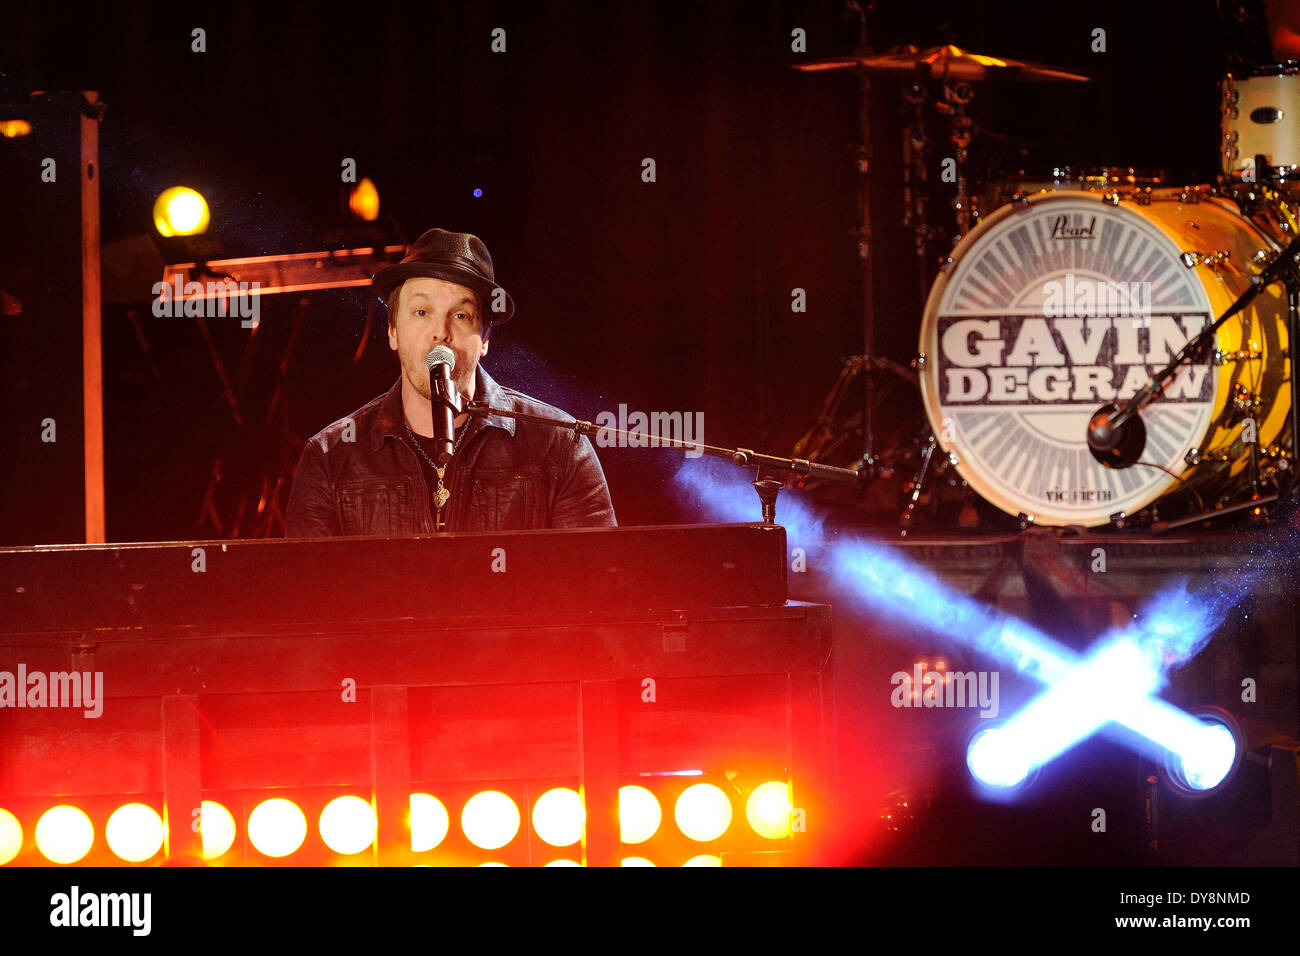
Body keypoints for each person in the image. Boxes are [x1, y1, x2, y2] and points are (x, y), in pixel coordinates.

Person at [286, 227, 616, 536]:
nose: (440, 332)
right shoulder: (330, 458)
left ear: (485, 337)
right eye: (421, 312)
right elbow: (314, 593)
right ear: (392, 332)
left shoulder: (557, 447)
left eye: (460, 315)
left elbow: (596, 584)